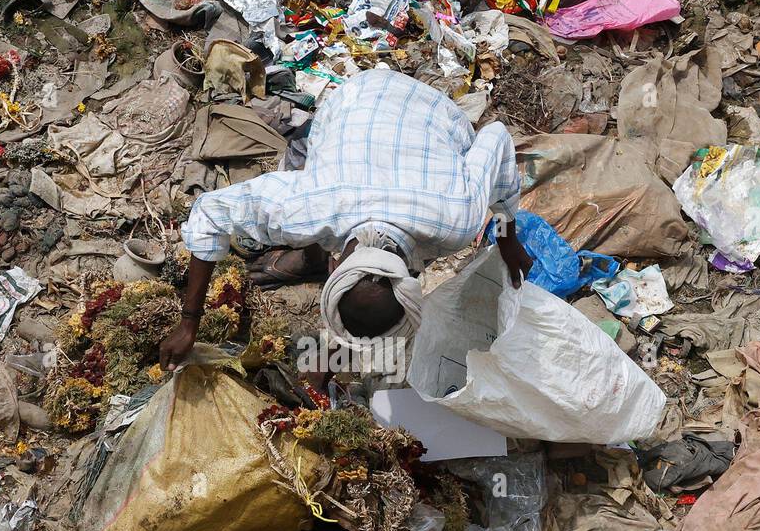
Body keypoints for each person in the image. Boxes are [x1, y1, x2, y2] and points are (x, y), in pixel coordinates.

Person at [159, 68, 532, 369]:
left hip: (431, 114)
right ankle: (309, 259)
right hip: (355, 99)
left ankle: (310, 263)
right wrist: (189, 322)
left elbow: (497, 138)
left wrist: (507, 237)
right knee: (302, 174)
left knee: (307, 193)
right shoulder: (304, 208)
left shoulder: (457, 219)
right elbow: (209, 213)